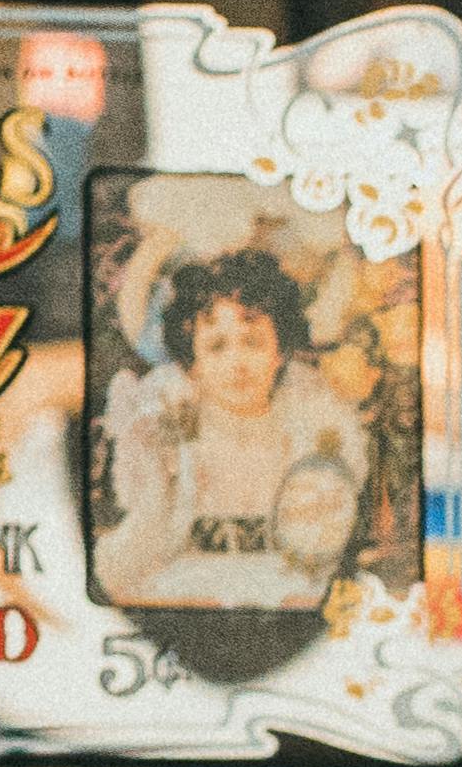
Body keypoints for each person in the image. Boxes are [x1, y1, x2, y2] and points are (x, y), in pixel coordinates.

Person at [97, 251, 368, 610]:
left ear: (280, 351)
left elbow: (323, 543)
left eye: (253, 342)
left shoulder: (308, 428)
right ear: (193, 364)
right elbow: (149, 535)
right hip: (189, 591)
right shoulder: (178, 432)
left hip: (291, 593)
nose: (237, 363)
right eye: (216, 347)